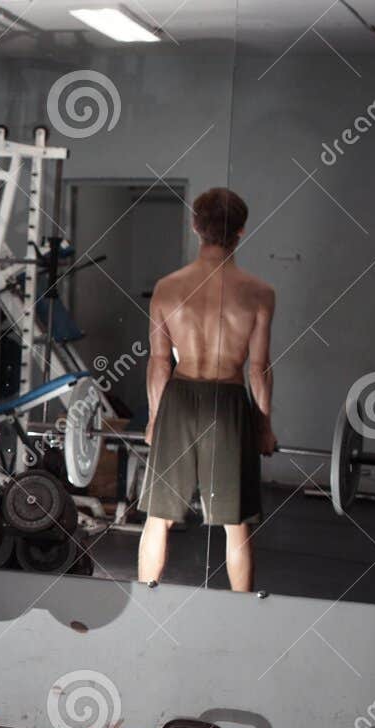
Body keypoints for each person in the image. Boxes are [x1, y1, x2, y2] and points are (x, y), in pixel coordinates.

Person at [137, 186, 277, 592]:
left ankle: (148, 607)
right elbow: (258, 368)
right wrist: (264, 426)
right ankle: (242, 615)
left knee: (157, 519)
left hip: (179, 401)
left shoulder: (167, 287)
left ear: (195, 226)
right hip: (229, 403)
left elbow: (160, 361)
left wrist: (154, 420)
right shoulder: (260, 292)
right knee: (236, 526)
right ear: (242, 231)